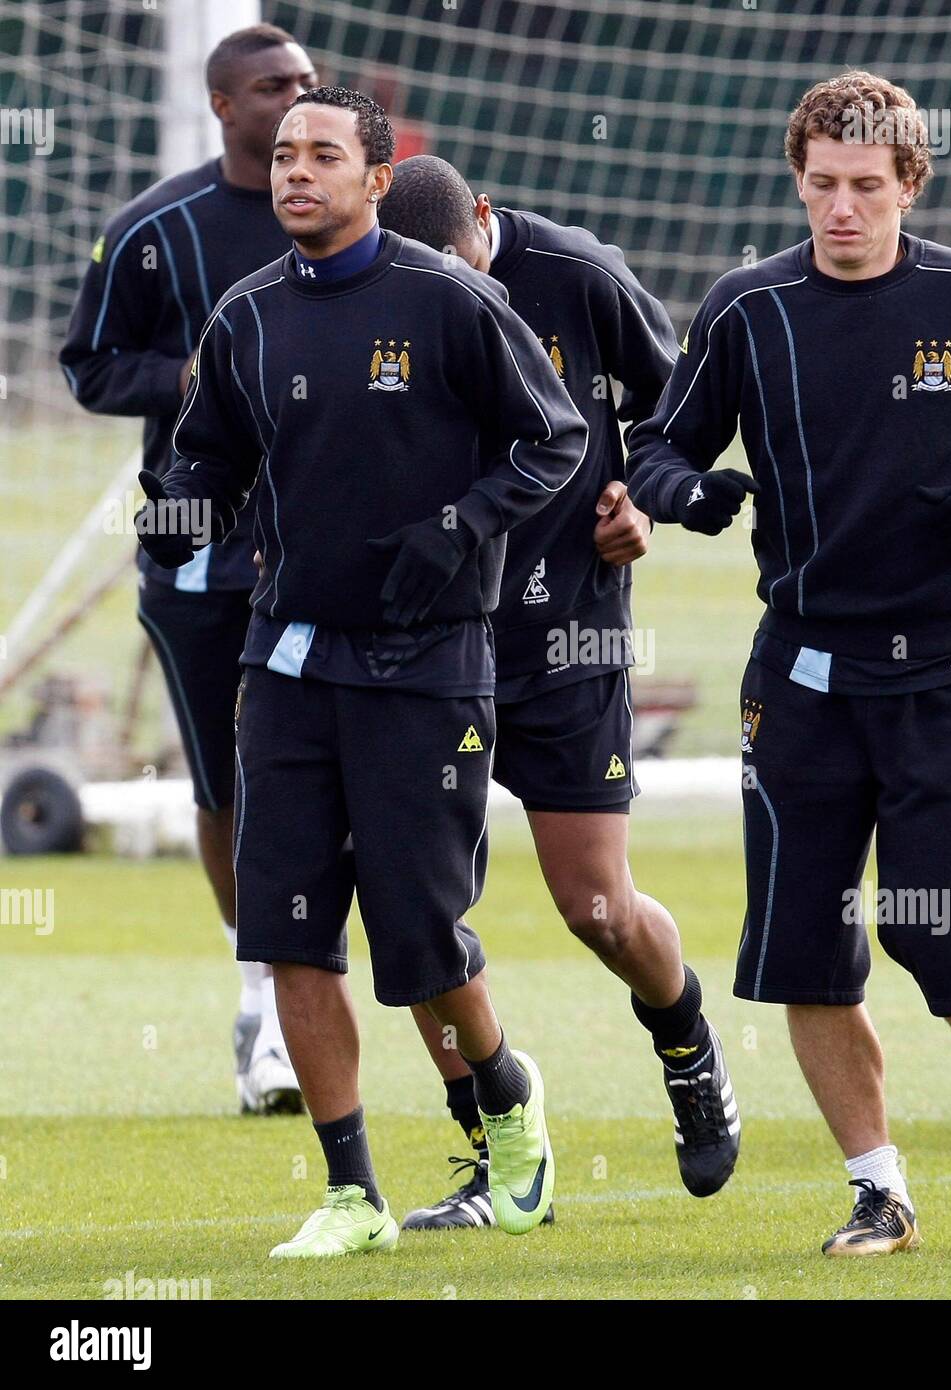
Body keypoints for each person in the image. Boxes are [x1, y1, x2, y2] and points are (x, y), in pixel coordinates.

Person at [628, 69, 951, 1255]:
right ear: (796, 181)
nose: (840, 208)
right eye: (820, 185)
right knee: (805, 945)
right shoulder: (747, 311)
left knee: (938, 926)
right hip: (799, 677)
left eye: (864, 186)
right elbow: (656, 448)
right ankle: (878, 1188)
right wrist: (690, 495)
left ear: (909, 182)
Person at [137, 88, 588, 1255]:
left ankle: (504, 1091)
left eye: (324, 155)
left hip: (429, 666)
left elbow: (556, 437)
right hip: (284, 661)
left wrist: (459, 528)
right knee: (287, 933)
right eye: (284, 154)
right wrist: (174, 517)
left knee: (421, 946)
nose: (297, 172)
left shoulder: (452, 302)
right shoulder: (243, 318)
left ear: (379, 179)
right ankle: (352, 1195)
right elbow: (207, 463)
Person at [378, 157, 741, 1229]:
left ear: (484, 223)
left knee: (593, 905)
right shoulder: (374, 290)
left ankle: (686, 1042)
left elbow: (678, 408)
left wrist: (646, 500)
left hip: (567, 627)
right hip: (431, 640)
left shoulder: (578, 274)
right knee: (416, 918)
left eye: (458, 267)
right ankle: (497, 1141)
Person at [60, 23, 319, 1114]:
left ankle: (315, 991)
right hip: (200, 553)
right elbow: (88, 366)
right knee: (227, 782)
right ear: (224, 105)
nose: (297, 99)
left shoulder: (356, 214)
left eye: (308, 83)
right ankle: (259, 993)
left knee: (319, 786)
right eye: (274, 86)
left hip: (330, 553)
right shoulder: (153, 230)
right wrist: (191, 375)